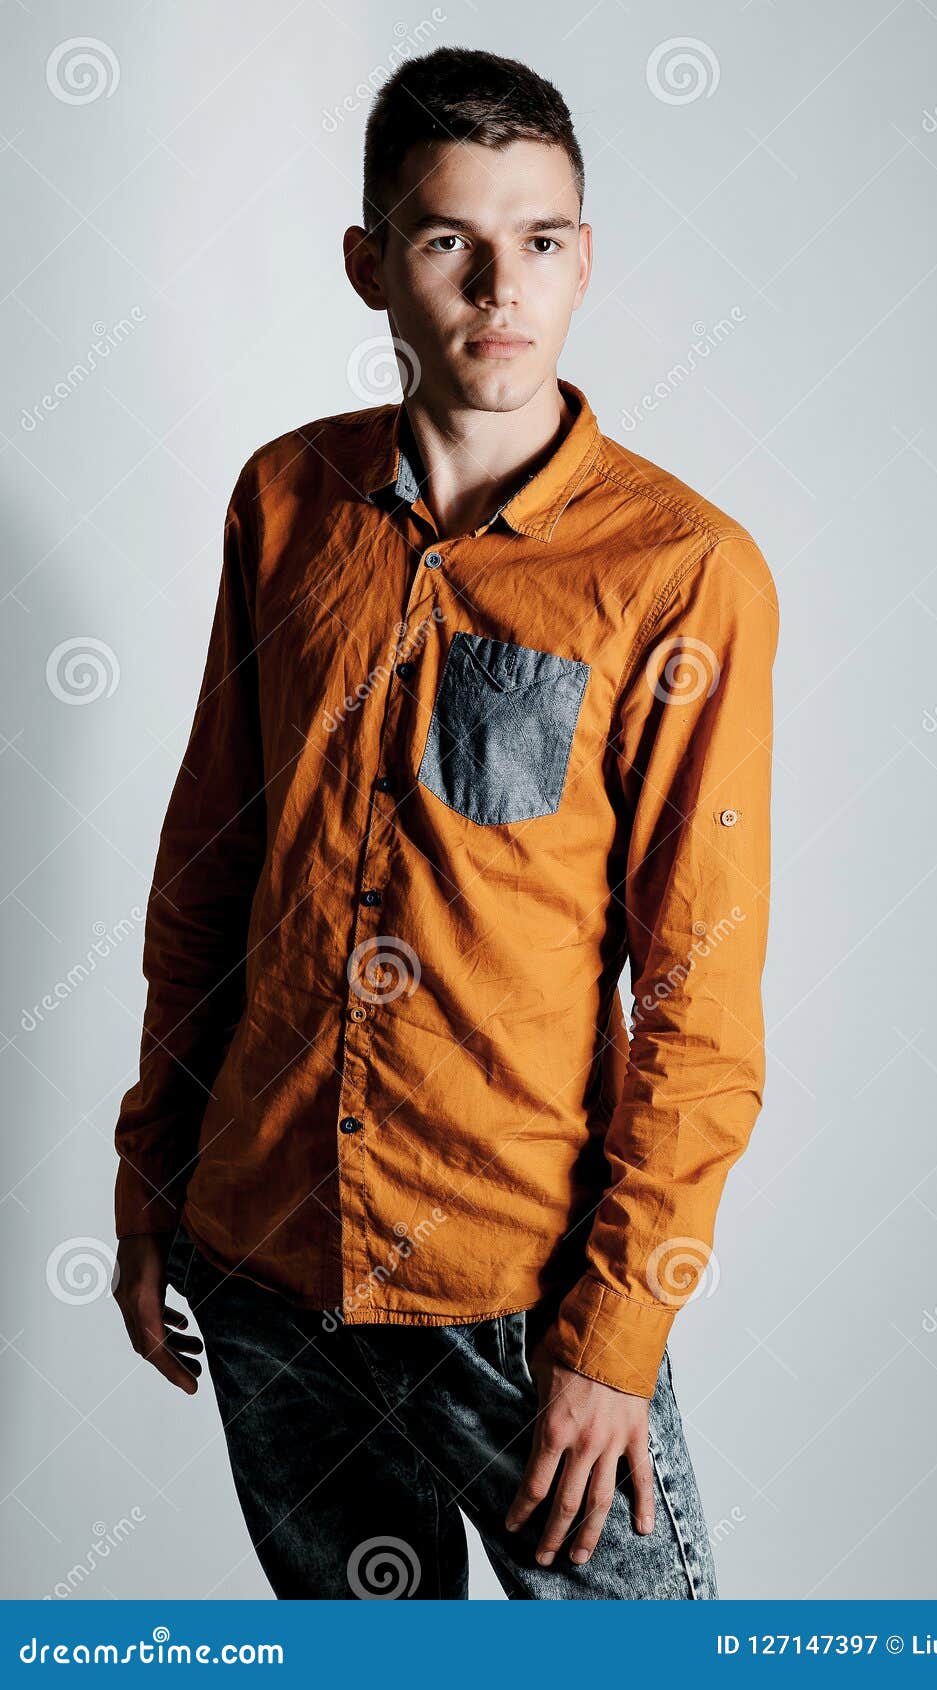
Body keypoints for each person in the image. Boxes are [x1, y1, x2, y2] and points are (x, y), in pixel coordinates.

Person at [112, 45, 778, 1601]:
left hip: (516, 1285)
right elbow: (208, 872)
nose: (500, 287)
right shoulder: (283, 502)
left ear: (585, 258)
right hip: (268, 1256)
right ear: (370, 266)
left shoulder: (682, 571)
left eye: (538, 240)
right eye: (446, 241)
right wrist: (153, 1187)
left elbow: (701, 997)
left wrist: (620, 1333)